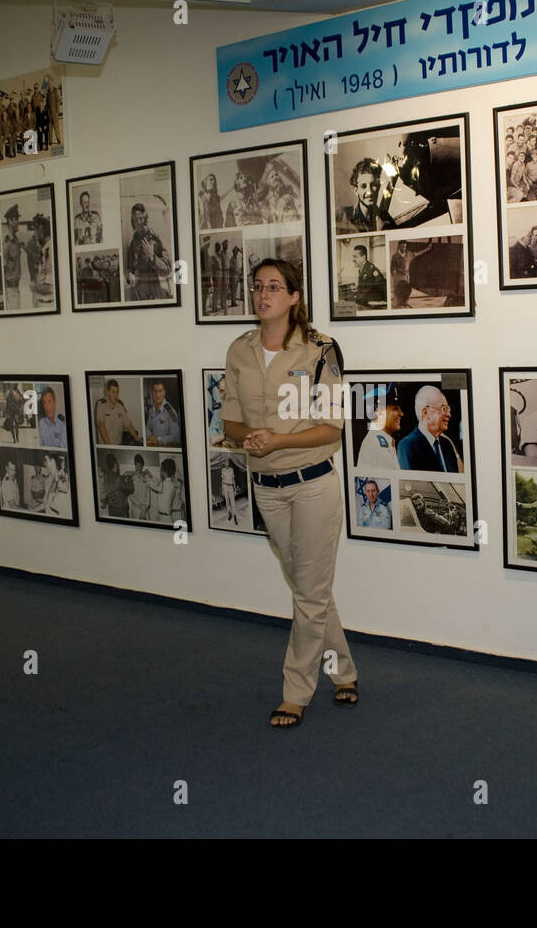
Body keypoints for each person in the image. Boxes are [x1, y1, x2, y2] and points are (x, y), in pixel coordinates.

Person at [220, 257, 358, 729]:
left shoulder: (321, 350)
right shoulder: (239, 350)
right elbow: (230, 420)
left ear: (294, 297)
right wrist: (249, 437)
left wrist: (278, 440)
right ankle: (344, 671)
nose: (263, 295)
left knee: (309, 591)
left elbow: (331, 430)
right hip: (266, 487)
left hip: (313, 485)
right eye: (257, 287)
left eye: (275, 287)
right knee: (309, 589)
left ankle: (295, 691)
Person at [397, 385, 462, 473]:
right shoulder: (407, 446)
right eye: (443, 409)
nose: (449, 414)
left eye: (448, 409)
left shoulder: (447, 445)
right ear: (425, 412)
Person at [124, 203, 171, 301]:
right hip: (138, 295)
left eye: (141, 218)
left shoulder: (154, 239)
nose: (139, 222)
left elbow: (167, 270)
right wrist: (129, 275)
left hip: (154, 293)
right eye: (135, 220)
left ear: (145, 218)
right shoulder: (133, 243)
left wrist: (152, 257)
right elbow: (129, 268)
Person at [336, 157, 397, 233]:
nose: (369, 192)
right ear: (356, 190)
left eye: (373, 185)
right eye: (363, 186)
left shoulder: (385, 218)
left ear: (378, 187)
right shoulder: (342, 215)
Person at [357, 384, 403, 470]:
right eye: (395, 408)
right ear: (378, 411)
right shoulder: (375, 442)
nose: (401, 413)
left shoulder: (382, 441)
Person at [145, 380, 181, 447]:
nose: (157, 394)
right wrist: (150, 436)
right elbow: (147, 428)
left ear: (164, 392)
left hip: (166, 447)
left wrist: (159, 440)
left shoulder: (170, 412)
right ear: (152, 392)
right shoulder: (151, 410)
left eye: (160, 391)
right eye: (155, 391)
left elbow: (176, 436)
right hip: (153, 446)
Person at [1, 205, 24, 310]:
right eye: (16, 220)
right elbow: (3, 266)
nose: (18, 223)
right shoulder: (7, 242)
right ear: (10, 221)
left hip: (16, 288)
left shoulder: (16, 239)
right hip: (10, 289)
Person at [158, 458, 185, 524]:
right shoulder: (167, 482)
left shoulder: (179, 483)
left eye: (161, 469)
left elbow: (184, 502)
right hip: (170, 516)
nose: (160, 471)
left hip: (177, 515)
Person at [219, 458, 239, 524]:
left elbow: (233, 480)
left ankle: (235, 516)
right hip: (225, 486)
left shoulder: (231, 470)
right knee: (227, 502)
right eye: (225, 463)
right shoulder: (222, 470)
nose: (226, 464)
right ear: (224, 464)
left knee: (233, 502)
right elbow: (222, 480)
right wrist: (222, 490)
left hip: (230, 487)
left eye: (227, 463)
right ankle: (230, 514)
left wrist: (235, 489)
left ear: (228, 463)